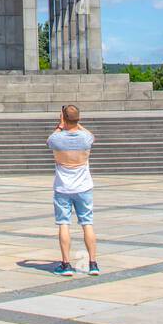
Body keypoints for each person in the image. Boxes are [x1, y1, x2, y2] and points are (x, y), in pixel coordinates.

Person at [47, 104, 99, 278]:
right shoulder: (85, 139)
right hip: (83, 187)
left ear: (63, 118)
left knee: (63, 224)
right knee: (87, 223)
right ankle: (92, 263)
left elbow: (50, 139)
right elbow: (92, 136)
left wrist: (61, 124)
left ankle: (66, 263)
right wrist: (77, 124)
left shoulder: (57, 139)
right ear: (79, 118)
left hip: (63, 187)